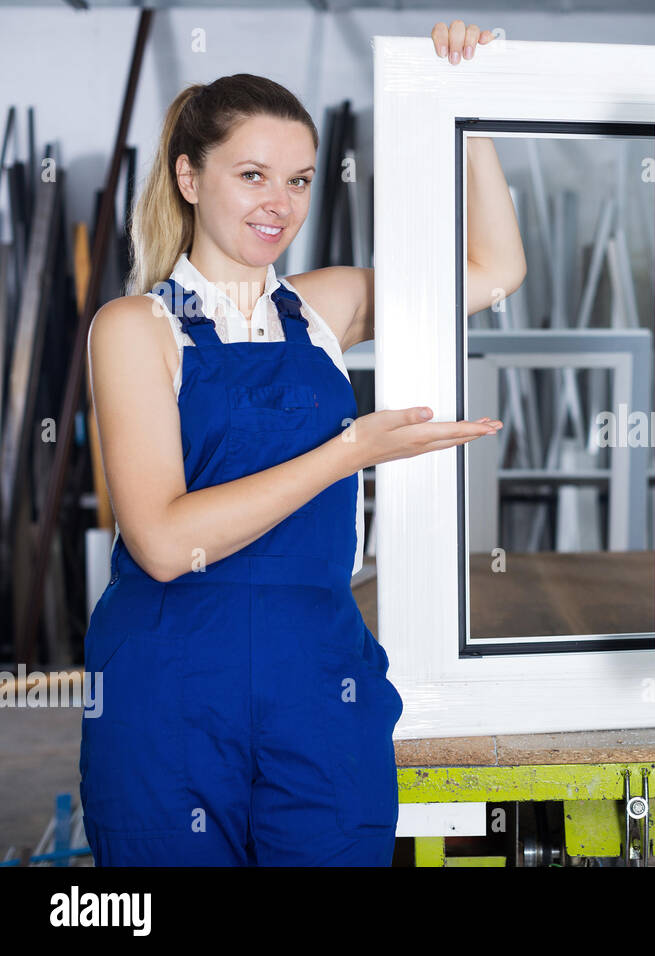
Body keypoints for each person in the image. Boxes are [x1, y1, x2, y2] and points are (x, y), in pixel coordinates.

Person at [80, 21, 521, 866]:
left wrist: (470, 110)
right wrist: (349, 452)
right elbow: (167, 543)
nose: (278, 203)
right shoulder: (136, 328)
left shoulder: (324, 307)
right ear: (189, 176)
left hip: (318, 677)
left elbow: (495, 272)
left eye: (299, 180)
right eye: (251, 175)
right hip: (170, 686)